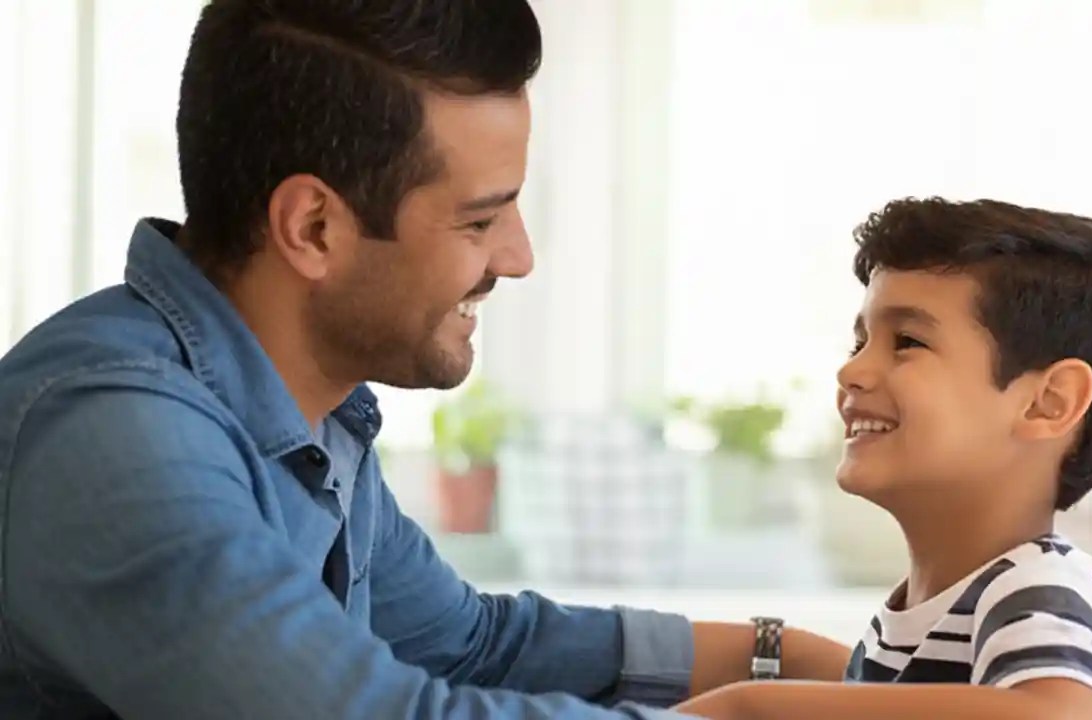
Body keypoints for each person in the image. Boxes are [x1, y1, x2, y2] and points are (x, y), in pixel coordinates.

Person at [0, 1, 851, 718]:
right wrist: (754, 709)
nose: (518, 258)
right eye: (479, 221)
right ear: (314, 229)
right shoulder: (114, 435)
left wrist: (779, 656)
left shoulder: (310, 420)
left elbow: (473, 647)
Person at [675, 198, 1092, 720]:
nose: (852, 372)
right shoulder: (928, 611)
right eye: (859, 341)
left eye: (907, 341)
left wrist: (750, 708)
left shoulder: (1040, 586)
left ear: (1048, 402)